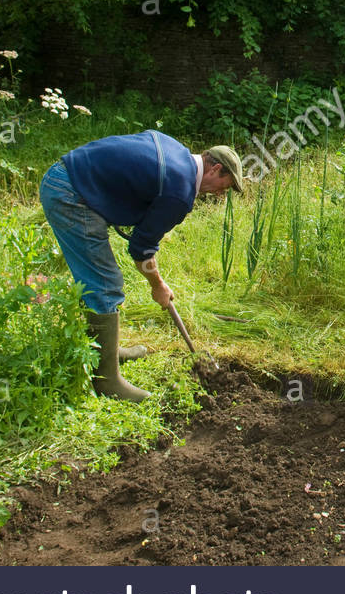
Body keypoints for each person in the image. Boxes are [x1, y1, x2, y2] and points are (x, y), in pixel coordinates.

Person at [39, 131, 244, 401]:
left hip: (67, 178)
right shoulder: (179, 191)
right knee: (104, 283)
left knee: (99, 280)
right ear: (215, 168)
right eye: (224, 186)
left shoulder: (176, 149)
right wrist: (157, 285)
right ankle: (106, 381)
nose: (220, 195)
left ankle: (105, 353)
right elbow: (141, 249)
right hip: (70, 194)